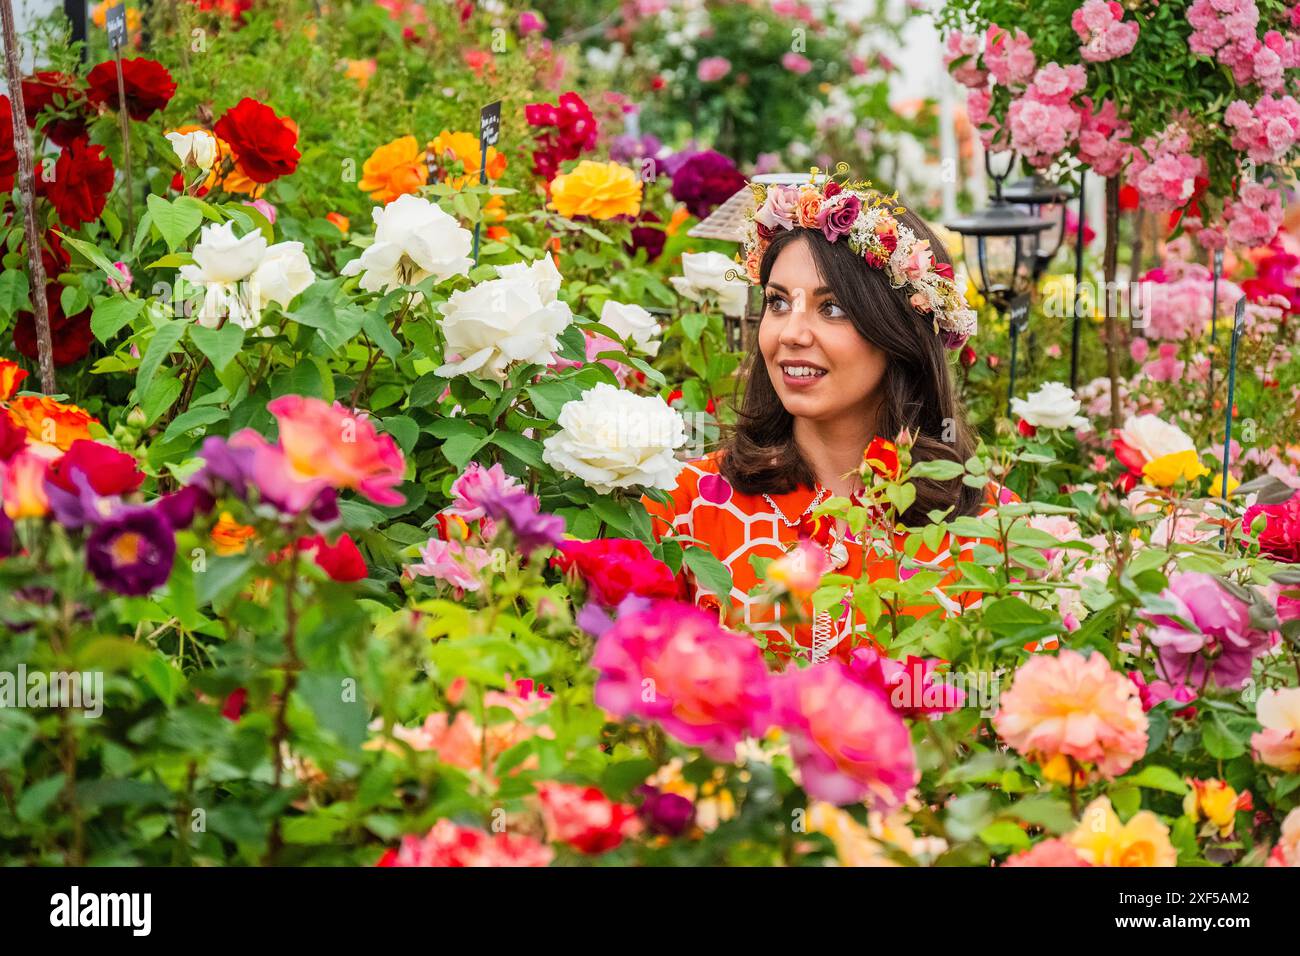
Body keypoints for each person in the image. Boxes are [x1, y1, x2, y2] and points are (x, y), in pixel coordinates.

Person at [642, 176, 1018, 665]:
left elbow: (1013, 723)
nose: (792, 333)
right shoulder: (690, 504)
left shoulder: (988, 528)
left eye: (832, 308)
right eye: (778, 303)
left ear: (897, 333)